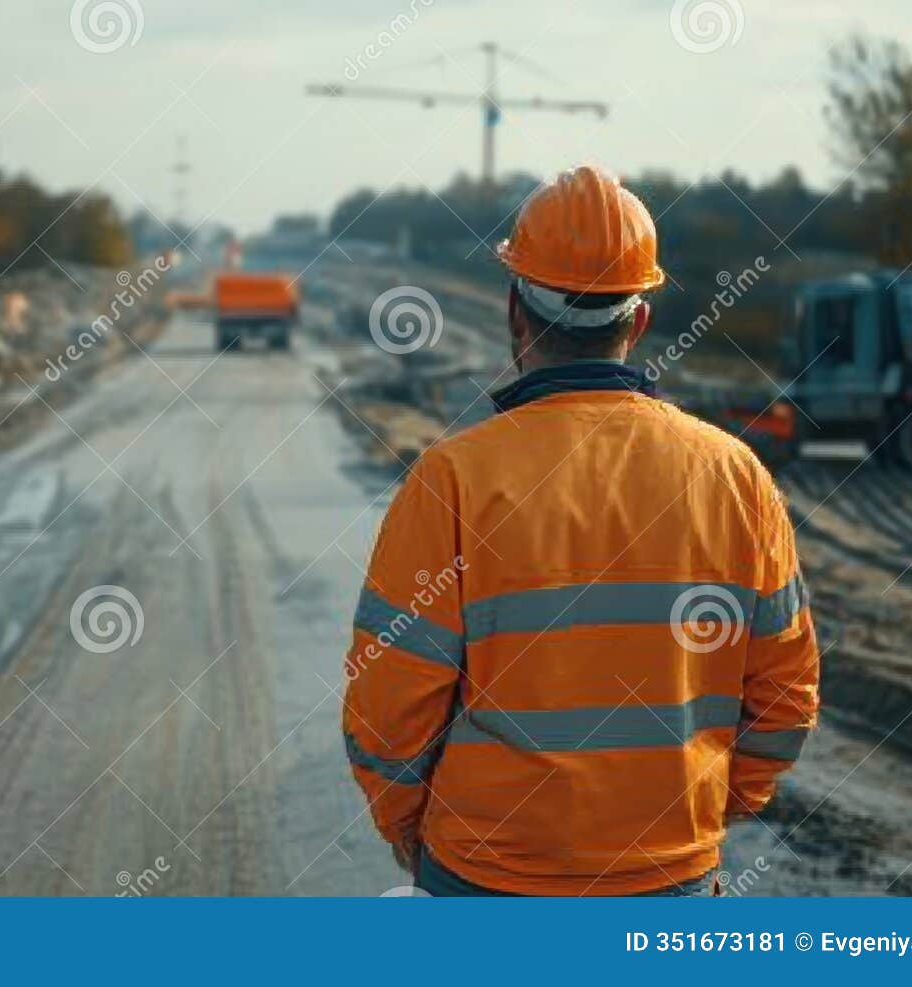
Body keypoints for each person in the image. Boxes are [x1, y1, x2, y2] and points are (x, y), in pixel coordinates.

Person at [341, 164, 819, 896]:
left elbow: (388, 706)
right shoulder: (734, 474)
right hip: (671, 882)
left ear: (515, 313)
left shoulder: (452, 479)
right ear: (640, 319)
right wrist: (707, 814)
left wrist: (413, 832)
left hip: (486, 881)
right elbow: (786, 696)